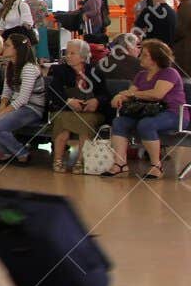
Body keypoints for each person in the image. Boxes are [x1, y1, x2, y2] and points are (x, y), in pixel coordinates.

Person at [104, 38, 186, 180]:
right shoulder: (141, 75)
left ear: (156, 58)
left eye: (145, 55)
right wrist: (119, 96)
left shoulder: (169, 73)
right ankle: (120, 164)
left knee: (146, 124)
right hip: (146, 112)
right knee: (119, 122)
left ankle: (156, 166)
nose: (140, 57)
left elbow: (157, 94)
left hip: (173, 114)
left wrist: (131, 94)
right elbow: (130, 93)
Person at [0, 32, 43, 165]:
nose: (4, 48)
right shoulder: (10, 65)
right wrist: (2, 105)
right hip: (14, 104)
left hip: (31, 108)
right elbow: (7, 90)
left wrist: (3, 112)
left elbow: (23, 99)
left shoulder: (29, 68)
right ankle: (6, 151)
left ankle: (22, 153)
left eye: (7, 45)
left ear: (17, 49)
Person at [48, 39, 106, 172]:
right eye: (66, 53)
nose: (67, 56)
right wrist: (67, 101)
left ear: (83, 56)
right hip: (65, 109)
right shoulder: (59, 70)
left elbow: (104, 94)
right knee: (62, 121)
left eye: (72, 53)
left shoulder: (95, 71)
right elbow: (53, 92)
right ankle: (58, 160)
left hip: (89, 111)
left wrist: (96, 101)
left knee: (86, 123)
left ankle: (80, 161)